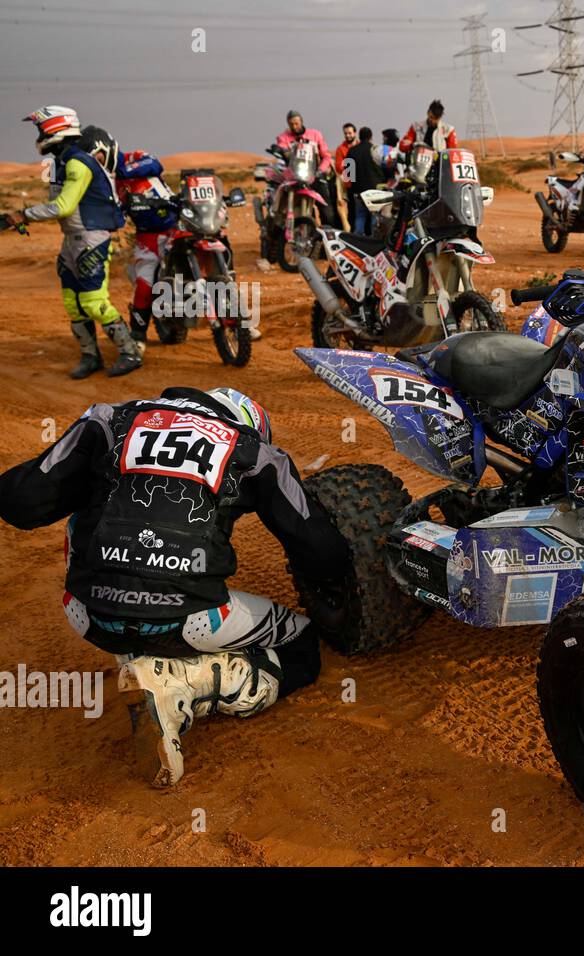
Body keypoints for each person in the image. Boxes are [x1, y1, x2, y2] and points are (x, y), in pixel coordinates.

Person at [0, 387, 351, 788]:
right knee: (301, 646)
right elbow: (325, 556)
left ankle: (140, 661)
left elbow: (20, 503)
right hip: (190, 619)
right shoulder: (253, 450)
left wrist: (98, 484)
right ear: (249, 422)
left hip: (88, 615)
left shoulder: (106, 418)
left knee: (90, 515)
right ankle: (188, 687)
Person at [3, 108, 140, 379]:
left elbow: (63, 206)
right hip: (72, 240)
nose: (39, 135)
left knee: (92, 301)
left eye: (42, 129)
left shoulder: (78, 162)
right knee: (72, 302)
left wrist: (22, 216)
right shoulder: (64, 163)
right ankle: (90, 356)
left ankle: (130, 351)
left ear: (55, 129)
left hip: (92, 238)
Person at [100, 135, 176, 347]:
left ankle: (237, 320)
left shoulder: (135, 157)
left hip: (176, 223)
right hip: (147, 235)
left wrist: (122, 172)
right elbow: (115, 212)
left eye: (100, 154)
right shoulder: (108, 183)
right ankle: (138, 335)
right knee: (145, 282)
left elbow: (155, 164)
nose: (98, 160)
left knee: (216, 249)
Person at [274, 109, 338, 226]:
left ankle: (329, 234)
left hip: (314, 175)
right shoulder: (284, 138)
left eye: (296, 123)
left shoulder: (315, 134)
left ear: (301, 122)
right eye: (291, 124)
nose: (294, 126)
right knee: (285, 204)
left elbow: (326, 156)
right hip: (295, 177)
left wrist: (321, 170)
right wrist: (280, 149)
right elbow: (281, 148)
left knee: (326, 209)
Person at [345, 127, 386, 236]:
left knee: (360, 216)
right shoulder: (377, 150)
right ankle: (374, 240)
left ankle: (357, 240)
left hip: (358, 191)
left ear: (359, 136)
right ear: (371, 137)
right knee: (374, 217)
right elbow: (383, 169)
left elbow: (348, 174)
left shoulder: (352, 151)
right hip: (375, 190)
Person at [334, 122, 358, 230]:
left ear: (355, 133)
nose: (348, 135)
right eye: (346, 133)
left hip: (359, 181)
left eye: (350, 133)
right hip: (347, 182)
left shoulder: (360, 145)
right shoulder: (341, 149)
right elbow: (339, 167)